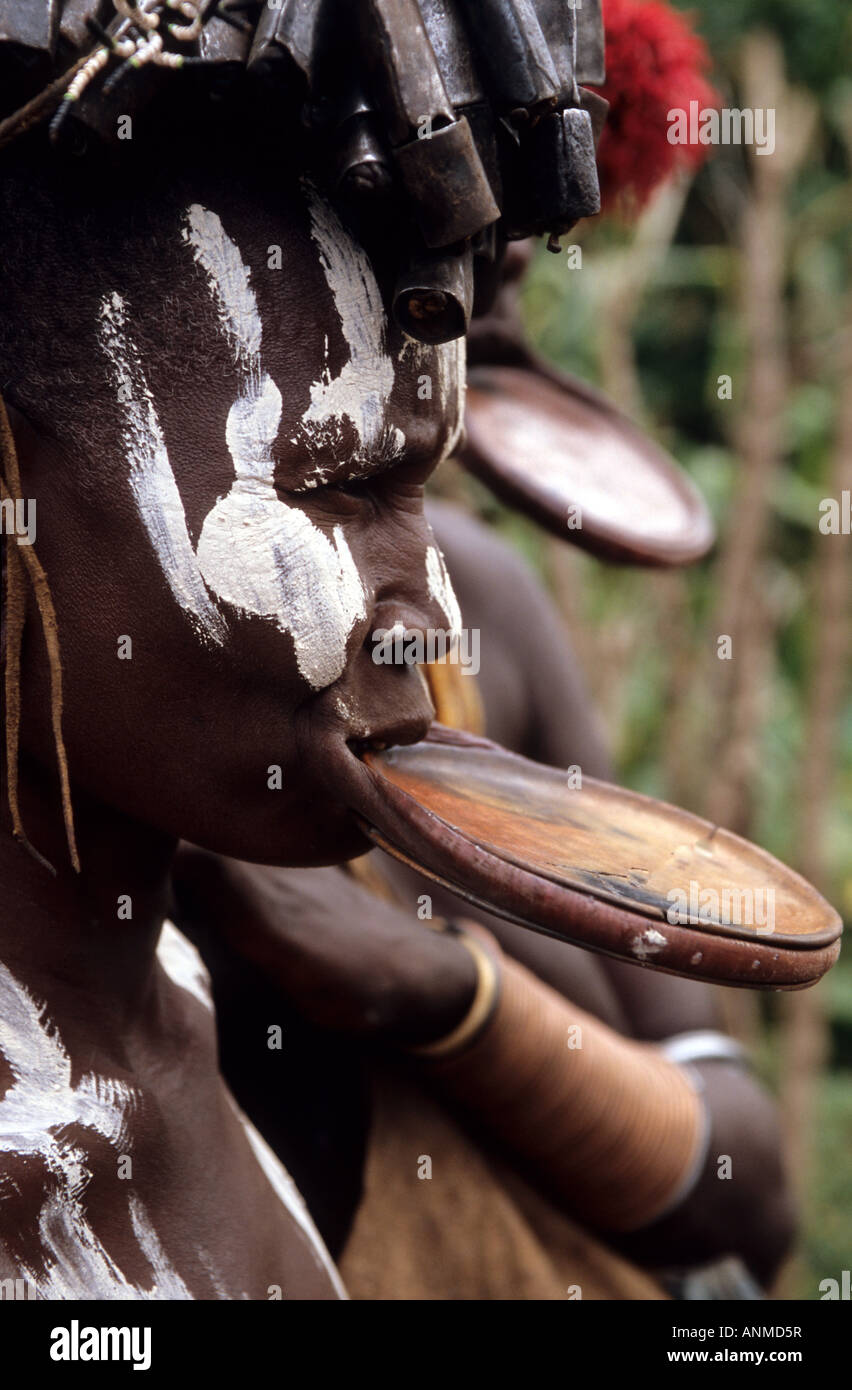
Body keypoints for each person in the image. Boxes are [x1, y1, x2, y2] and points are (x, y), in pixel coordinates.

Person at [174, 498, 795, 1300]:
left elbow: (748, 1202)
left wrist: (448, 989)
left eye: (401, 478)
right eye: (333, 477)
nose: (425, 606)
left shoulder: (477, 598)